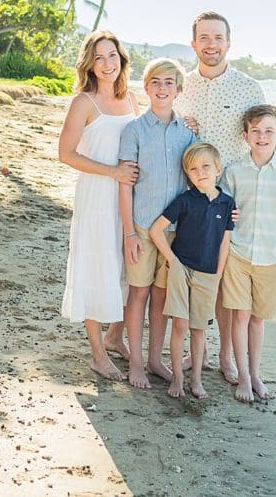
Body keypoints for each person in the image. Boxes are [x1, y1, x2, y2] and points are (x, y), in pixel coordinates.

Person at [174, 11, 266, 385]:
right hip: (188, 196)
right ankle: (196, 347)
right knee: (190, 274)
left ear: (229, 43)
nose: (211, 44)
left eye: (218, 38)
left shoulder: (249, 88)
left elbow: (263, 139)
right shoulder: (182, 85)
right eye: (204, 38)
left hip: (231, 200)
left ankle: (227, 356)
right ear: (193, 42)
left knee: (226, 280)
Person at [59, 30, 140, 381]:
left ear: (121, 59)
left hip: (128, 198)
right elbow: (66, 154)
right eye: (99, 57)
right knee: (96, 267)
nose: (107, 64)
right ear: (89, 64)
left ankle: (114, 336)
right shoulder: (84, 102)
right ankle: (96, 353)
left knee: (126, 266)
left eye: (112, 56)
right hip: (96, 196)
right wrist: (113, 172)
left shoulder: (133, 100)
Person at [118, 58, 196, 389]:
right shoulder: (134, 130)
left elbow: (197, 180)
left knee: (162, 297)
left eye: (169, 82)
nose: (162, 88)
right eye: (155, 82)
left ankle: (154, 359)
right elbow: (125, 183)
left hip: (174, 232)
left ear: (179, 90)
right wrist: (128, 233)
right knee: (138, 293)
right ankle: (136, 363)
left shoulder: (188, 134)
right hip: (141, 227)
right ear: (146, 87)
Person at [221, 105, 276, 402]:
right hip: (239, 255)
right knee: (240, 316)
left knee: (258, 319)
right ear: (245, 136)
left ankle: (256, 374)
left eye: (269, 131)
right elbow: (223, 212)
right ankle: (242, 377)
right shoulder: (233, 172)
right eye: (255, 131)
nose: (262, 136)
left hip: (272, 258)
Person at [149, 143, 236, 399]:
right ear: (188, 174)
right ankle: (177, 377)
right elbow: (156, 231)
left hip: (208, 274)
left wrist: (218, 275)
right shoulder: (185, 201)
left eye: (206, 166)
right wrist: (173, 261)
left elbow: (224, 242)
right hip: (181, 268)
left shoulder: (227, 203)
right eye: (194, 169)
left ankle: (196, 380)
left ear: (218, 169)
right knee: (180, 325)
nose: (201, 173)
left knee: (199, 330)